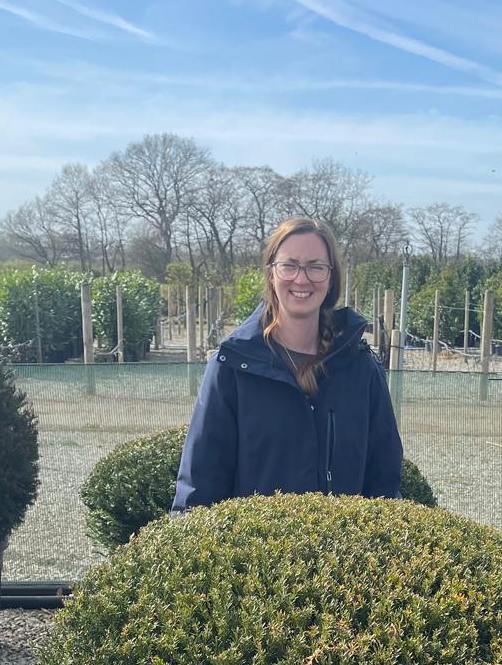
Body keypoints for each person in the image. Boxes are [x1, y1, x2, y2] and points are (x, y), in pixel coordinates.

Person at [172, 217, 403, 511]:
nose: (302, 279)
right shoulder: (231, 367)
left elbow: (383, 482)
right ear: (271, 273)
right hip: (254, 554)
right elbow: (199, 483)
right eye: (289, 265)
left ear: (331, 277)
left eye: (316, 266)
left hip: (342, 556)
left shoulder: (361, 369)